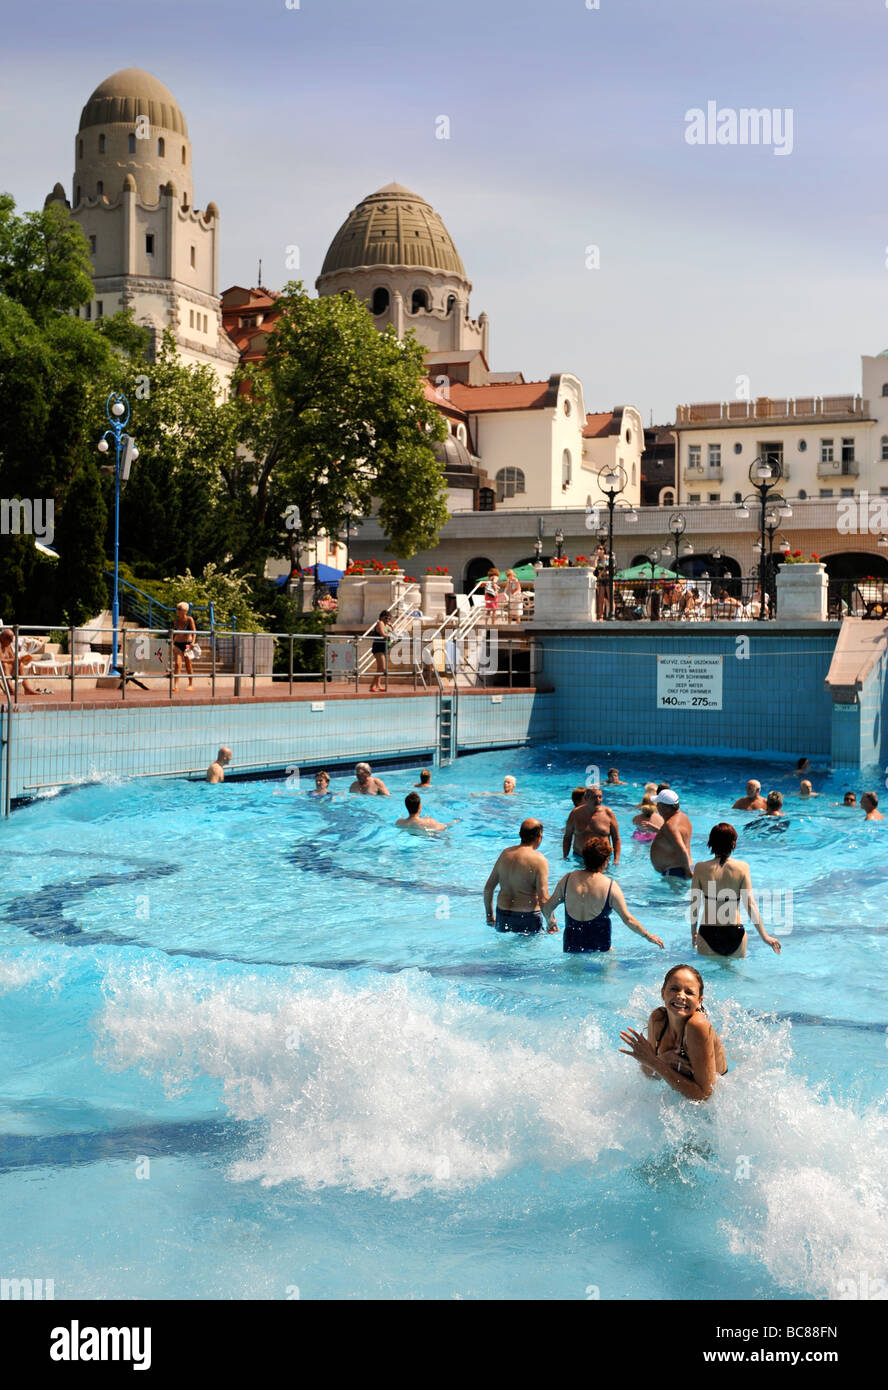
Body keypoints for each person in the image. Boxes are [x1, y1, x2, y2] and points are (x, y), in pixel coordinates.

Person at [619, 964, 728, 1102]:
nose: (681, 995)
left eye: (689, 992)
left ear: (699, 1001)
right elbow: (650, 1074)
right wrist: (660, 1060)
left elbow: (705, 1096)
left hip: (719, 1101)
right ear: (663, 993)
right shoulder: (658, 1019)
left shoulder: (697, 1026)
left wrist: (656, 1062)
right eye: (674, 989)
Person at [541, 837, 663, 953]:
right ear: (606, 860)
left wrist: (550, 921)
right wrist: (647, 936)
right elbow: (628, 919)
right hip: (600, 952)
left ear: (584, 857)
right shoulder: (610, 886)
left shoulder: (567, 880)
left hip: (571, 948)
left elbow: (547, 907)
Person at [690, 823, 782, 958]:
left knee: (707, 977)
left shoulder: (700, 868)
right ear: (733, 844)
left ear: (711, 843)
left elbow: (694, 905)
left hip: (708, 932)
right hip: (735, 933)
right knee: (736, 977)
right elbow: (750, 904)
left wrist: (693, 933)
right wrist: (765, 936)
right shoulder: (742, 868)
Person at [484, 819, 557, 934]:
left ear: (520, 835)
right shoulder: (539, 860)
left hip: (502, 914)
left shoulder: (505, 854)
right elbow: (543, 898)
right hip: (527, 917)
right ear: (539, 837)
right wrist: (551, 922)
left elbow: (488, 888)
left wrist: (489, 917)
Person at [562, 785, 621, 865]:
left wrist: (616, 859)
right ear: (586, 799)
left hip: (603, 859)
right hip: (580, 858)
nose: (598, 800)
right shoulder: (575, 813)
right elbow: (567, 836)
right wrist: (565, 856)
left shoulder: (608, 813)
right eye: (594, 797)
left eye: (600, 797)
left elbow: (616, 838)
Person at [650, 789, 693, 878]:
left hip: (675, 872)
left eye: (658, 804)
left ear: (664, 807)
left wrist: (688, 872)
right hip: (682, 869)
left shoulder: (670, 825)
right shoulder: (683, 817)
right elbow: (676, 838)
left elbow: (682, 850)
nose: (657, 807)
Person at [0, 628, 46, 695]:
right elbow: (1, 660)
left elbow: (13, 657)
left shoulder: (8, 645)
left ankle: (27, 688)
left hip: (5, 671)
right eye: (9, 639)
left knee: (20, 664)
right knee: (5, 665)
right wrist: (13, 660)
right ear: (3, 637)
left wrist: (20, 659)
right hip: (2, 669)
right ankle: (11, 690)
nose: (11, 641)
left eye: (11, 639)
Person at [172, 601, 197, 692]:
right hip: (178, 643)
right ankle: (175, 685)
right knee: (177, 664)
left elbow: (194, 632)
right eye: (177, 609)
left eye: (179, 609)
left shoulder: (189, 619)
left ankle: (190, 684)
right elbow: (174, 633)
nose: (177, 611)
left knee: (188, 664)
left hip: (187, 643)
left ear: (185, 610)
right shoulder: (176, 620)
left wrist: (193, 642)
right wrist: (172, 643)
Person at [369, 610, 393, 694]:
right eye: (386, 617)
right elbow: (383, 634)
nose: (388, 619)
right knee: (382, 668)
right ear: (381, 617)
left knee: (379, 668)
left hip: (385, 648)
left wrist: (392, 631)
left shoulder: (388, 625)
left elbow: (393, 634)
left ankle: (377, 685)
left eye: (389, 618)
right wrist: (391, 635)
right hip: (378, 648)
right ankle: (372, 685)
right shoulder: (380, 623)